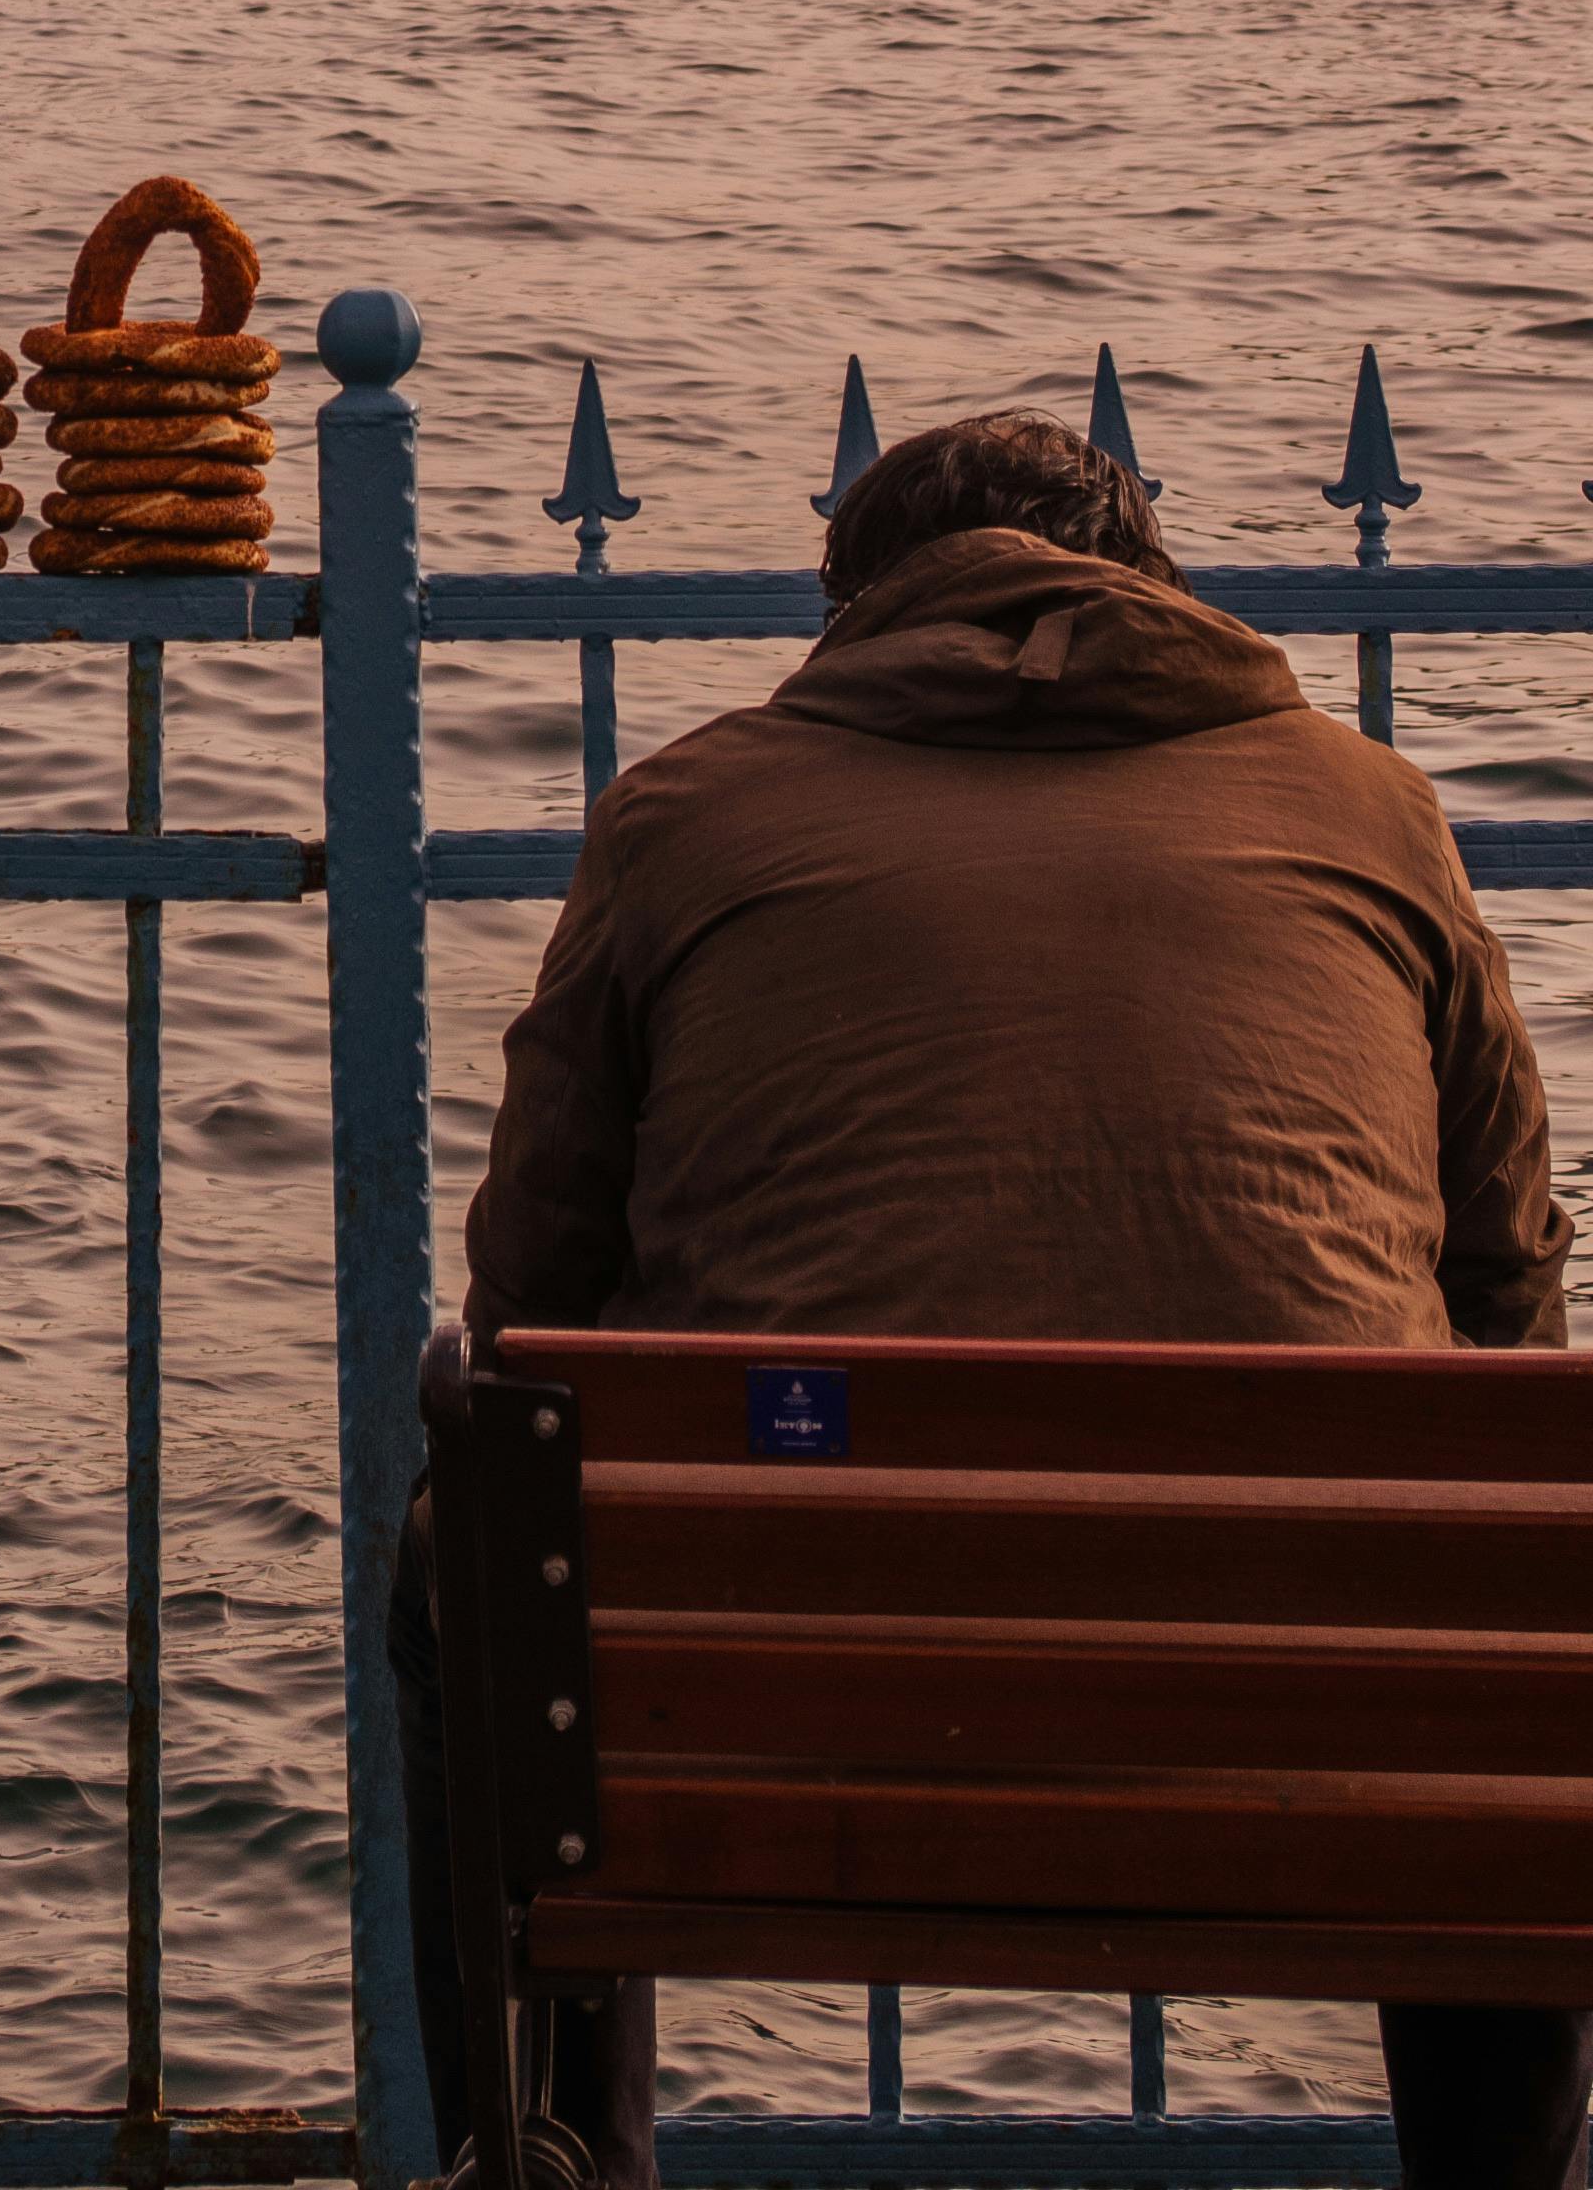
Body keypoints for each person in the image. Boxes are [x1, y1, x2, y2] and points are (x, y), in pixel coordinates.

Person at [391, 407, 1581, 2190]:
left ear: (855, 606)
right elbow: (1504, 1272)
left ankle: (562, 2151)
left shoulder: (687, 808)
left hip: (787, 1699)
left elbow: (529, 1287)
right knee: (1502, 1584)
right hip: (1318, 1694)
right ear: (1156, 585)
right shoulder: (1369, 804)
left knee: (472, 1560)